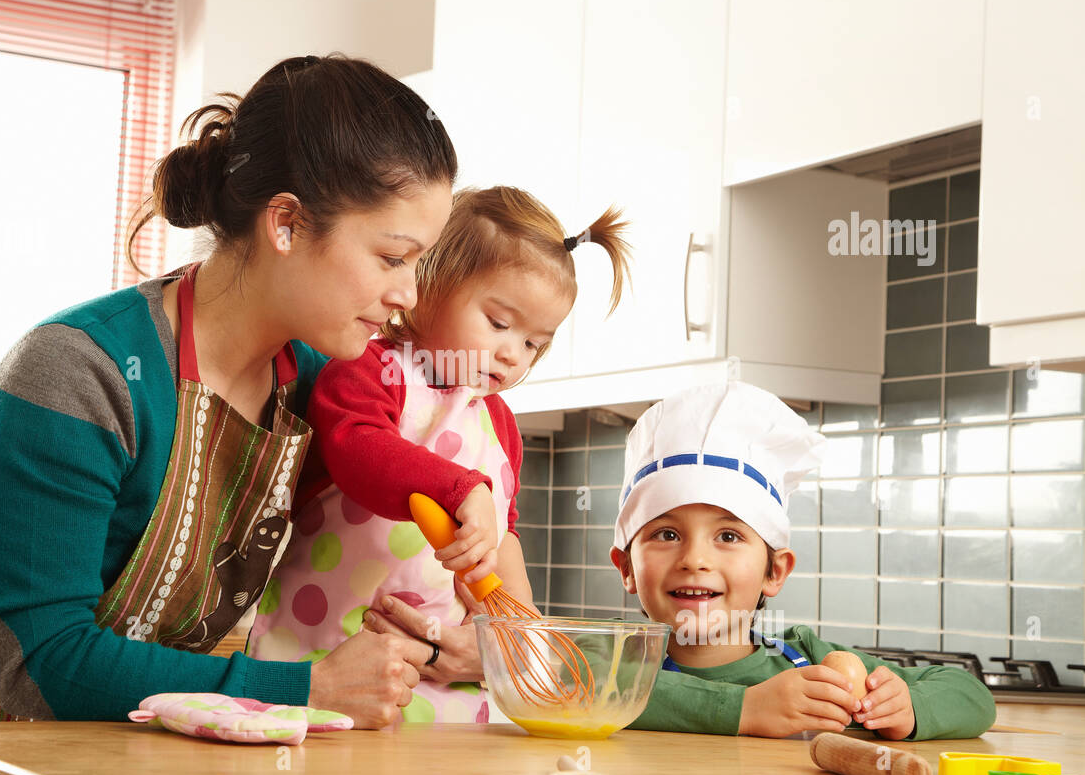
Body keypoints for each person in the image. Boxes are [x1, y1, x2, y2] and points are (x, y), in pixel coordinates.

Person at [0, 53, 457, 775]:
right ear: (285, 223)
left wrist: (460, 625)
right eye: (393, 257)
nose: (408, 295)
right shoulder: (73, 373)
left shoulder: (314, 386)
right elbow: (41, 664)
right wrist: (309, 687)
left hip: (103, 765)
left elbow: (431, 444)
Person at [247, 186, 632, 722]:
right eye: (499, 323)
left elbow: (505, 537)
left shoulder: (498, 423)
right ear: (429, 284)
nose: (510, 353)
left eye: (532, 344)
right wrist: (460, 487)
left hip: (440, 685)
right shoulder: (370, 370)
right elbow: (358, 449)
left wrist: (518, 636)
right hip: (327, 657)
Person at [610, 380, 997, 740]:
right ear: (626, 567)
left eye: (728, 536)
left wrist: (908, 708)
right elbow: (579, 685)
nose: (694, 559)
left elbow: (971, 694)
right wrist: (746, 709)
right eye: (667, 534)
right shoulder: (605, 653)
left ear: (774, 571)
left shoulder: (808, 658)